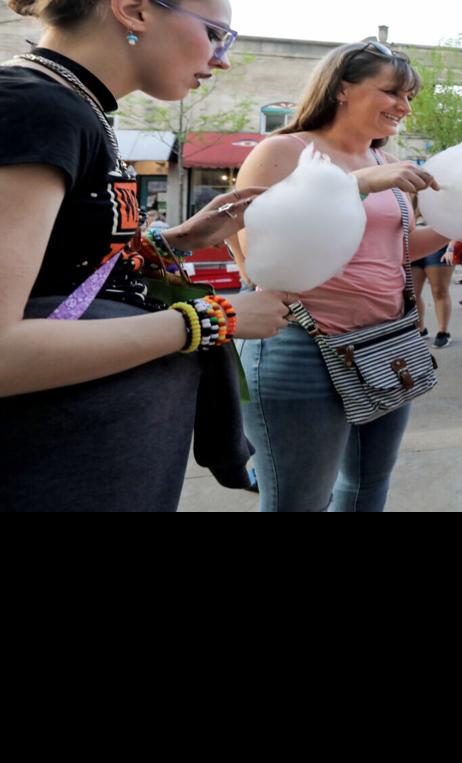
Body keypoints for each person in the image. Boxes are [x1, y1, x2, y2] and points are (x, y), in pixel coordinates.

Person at [2, 0, 298, 511]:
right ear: (134, 10)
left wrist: (176, 241)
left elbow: (60, 270)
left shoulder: (75, 104)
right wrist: (212, 319)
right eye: (215, 34)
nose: (222, 58)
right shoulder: (36, 106)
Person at [231, 37, 449, 512]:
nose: (404, 106)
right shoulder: (284, 150)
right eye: (393, 91)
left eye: (409, 96)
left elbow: (397, 249)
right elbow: (256, 253)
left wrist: (458, 224)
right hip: (299, 345)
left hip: (384, 342)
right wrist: (352, 187)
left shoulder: (386, 163)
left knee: (368, 486)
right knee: (298, 500)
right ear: (342, 88)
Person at [409, 244, 451, 346]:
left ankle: (443, 332)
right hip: (412, 244)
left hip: (439, 244)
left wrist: (451, 247)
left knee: (439, 291)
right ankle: (420, 329)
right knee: (411, 293)